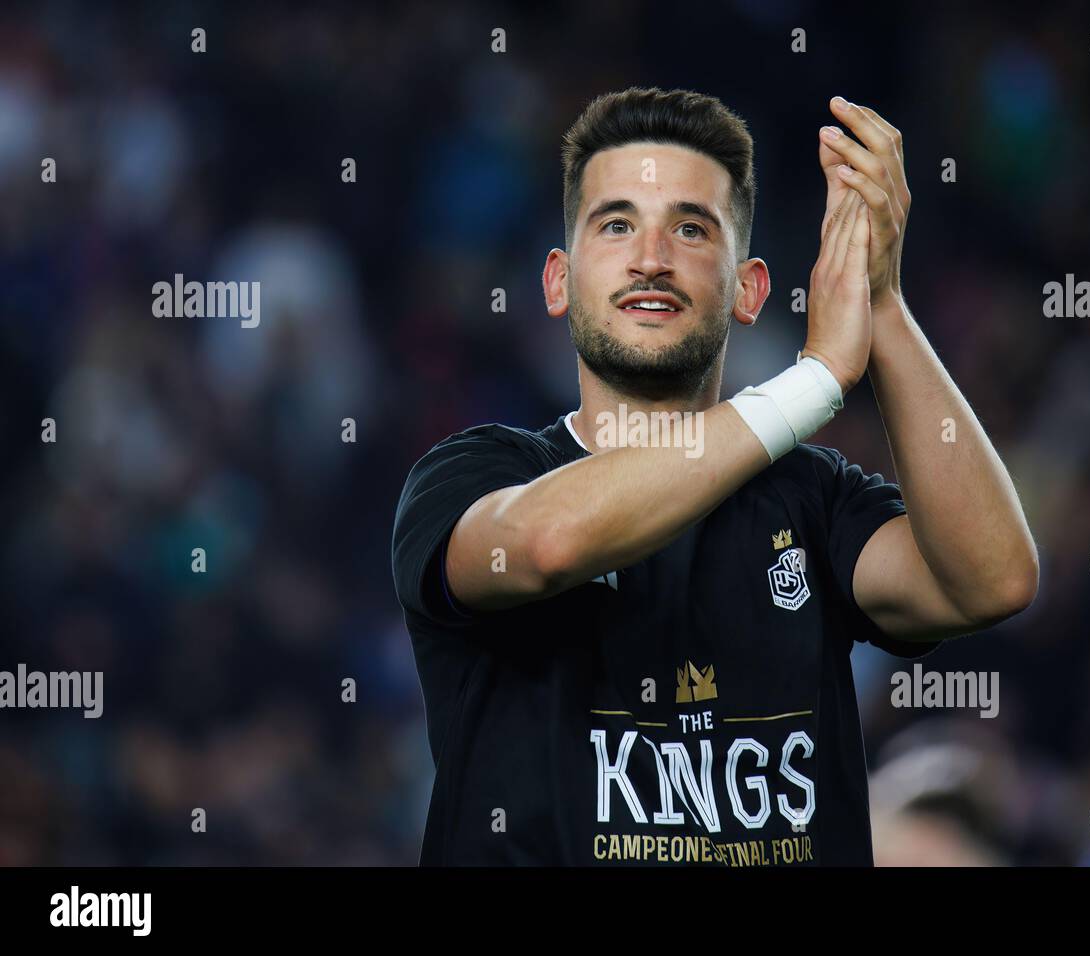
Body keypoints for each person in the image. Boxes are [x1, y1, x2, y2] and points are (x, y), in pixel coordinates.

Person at [391, 86, 1038, 865]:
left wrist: (880, 300)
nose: (651, 258)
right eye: (617, 223)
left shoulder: (814, 500)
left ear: (748, 290)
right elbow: (548, 544)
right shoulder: (473, 473)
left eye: (692, 229)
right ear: (558, 282)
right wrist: (817, 377)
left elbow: (992, 580)